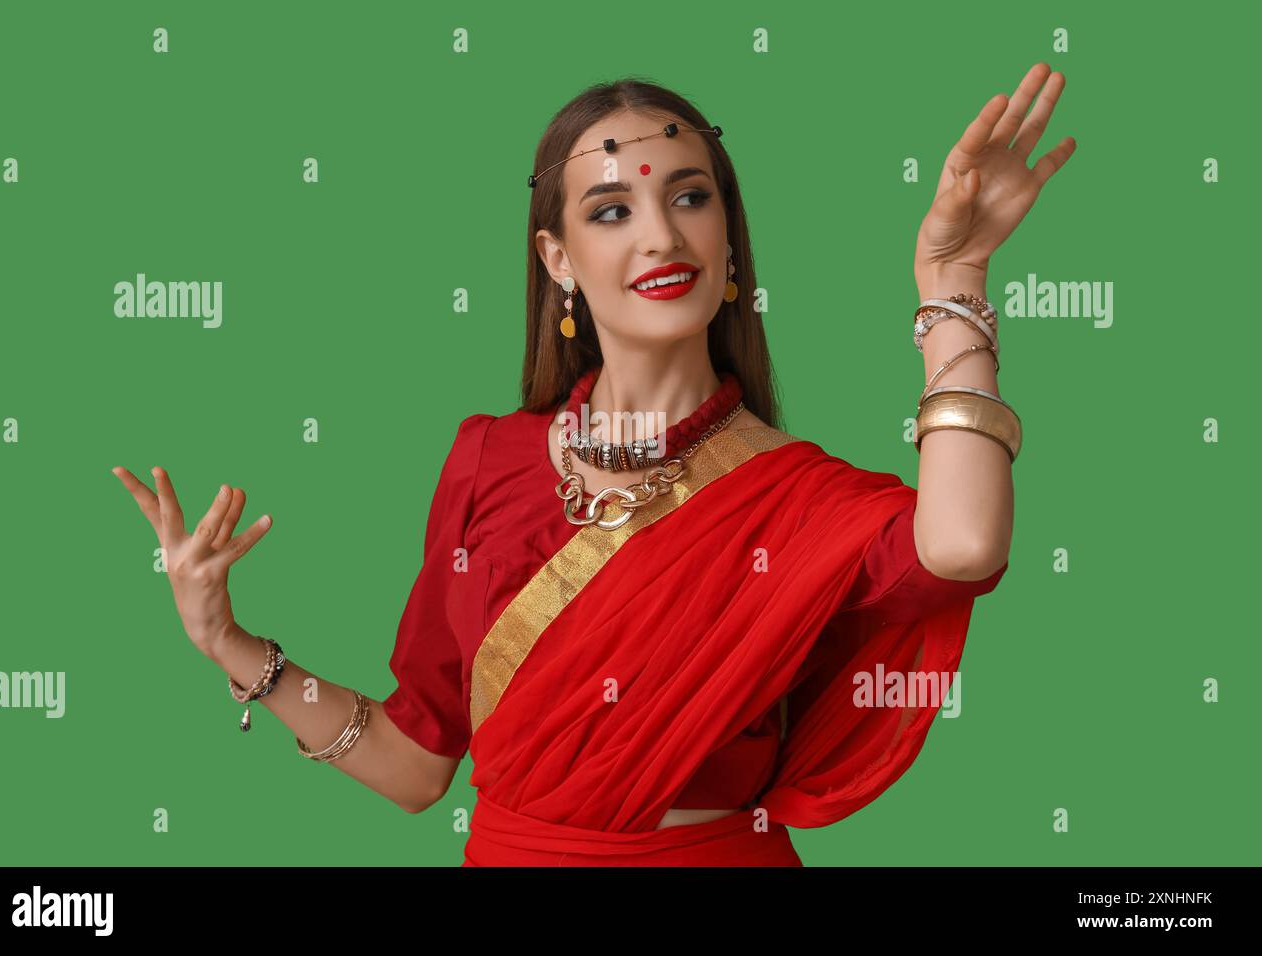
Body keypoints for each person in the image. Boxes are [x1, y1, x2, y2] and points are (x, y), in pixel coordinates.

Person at [114, 66, 1074, 866]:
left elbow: (959, 543)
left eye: (689, 196)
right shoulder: (486, 460)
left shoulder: (795, 499)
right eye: (611, 210)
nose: (660, 234)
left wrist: (953, 282)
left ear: (730, 241)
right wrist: (228, 641)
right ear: (558, 256)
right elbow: (415, 766)